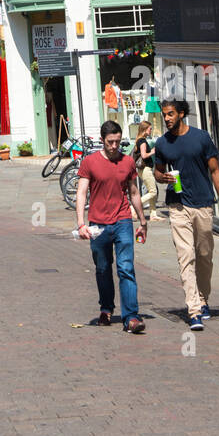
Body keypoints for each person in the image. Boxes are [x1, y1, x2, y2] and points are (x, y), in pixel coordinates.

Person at [154, 99, 219, 331]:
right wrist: (163, 178)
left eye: (170, 114)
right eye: (164, 115)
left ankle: (203, 297)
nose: (166, 118)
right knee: (185, 255)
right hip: (177, 206)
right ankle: (194, 310)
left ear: (181, 114)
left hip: (203, 203)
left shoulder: (201, 138)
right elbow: (158, 172)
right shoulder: (162, 143)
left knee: (205, 254)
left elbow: (216, 171)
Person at [76, 120, 147, 334]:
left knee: (126, 268)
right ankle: (106, 308)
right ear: (102, 141)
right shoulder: (89, 162)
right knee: (103, 268)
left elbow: (134, 192)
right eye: (110, 142)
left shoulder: (127, 163)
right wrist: (81, 223)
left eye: (117, 142)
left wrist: (142, 221)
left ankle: (131, 317)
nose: (114, 146)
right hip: (98, 224)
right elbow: (81, 193)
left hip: (123, 220)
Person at [133, 120, 160, 222]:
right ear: (144, 129)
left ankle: (153, 214)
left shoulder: (139, 140)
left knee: (152, 191)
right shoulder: (142, 141)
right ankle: (133, 208)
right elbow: (144, 155)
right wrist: (152, 151)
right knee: (153, 192)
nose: (151, 130)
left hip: (143, 170)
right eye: (150, 128)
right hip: (145, 169)